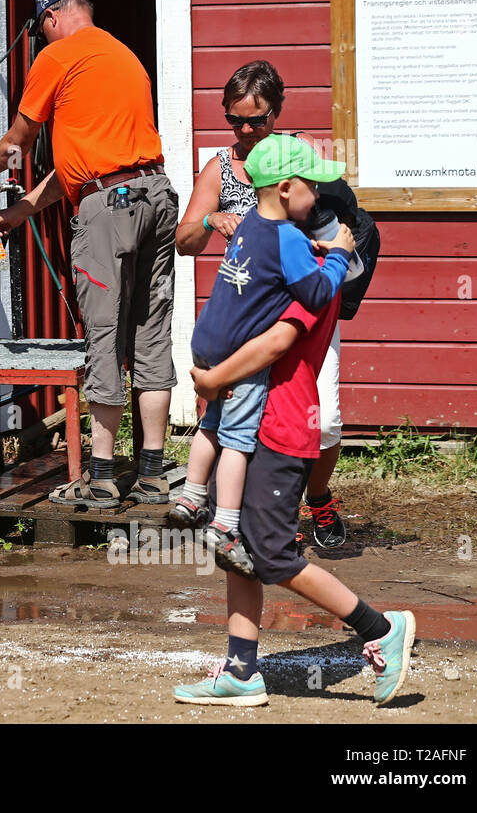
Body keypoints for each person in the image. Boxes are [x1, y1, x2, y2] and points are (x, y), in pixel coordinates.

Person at [0, 0, 176, 508]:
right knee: (150, 332)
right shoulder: (123, 56)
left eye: (41, 28)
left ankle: (103, 475)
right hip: (154, 194)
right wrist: (17, 213)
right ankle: (152, 471)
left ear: (54, 17)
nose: (42, 37)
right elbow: (79, 170)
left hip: (110, 210)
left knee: (103, 332)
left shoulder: (57, 57)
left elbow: (20, 140)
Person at [172, 273, 413, 709]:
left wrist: (212, 378)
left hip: (281, 428)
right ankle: (241, 671)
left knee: (273, 556)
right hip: (250, 422)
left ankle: (380, 628)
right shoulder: (301, 264)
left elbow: (275, 342)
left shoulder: (315, 276)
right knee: (237, 548)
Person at [174, 60, 348, 546]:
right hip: (249, 321)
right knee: (246, 423)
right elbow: (183, 239)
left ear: (278, 112)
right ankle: (264, 523)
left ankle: (316, 497)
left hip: (303, 311)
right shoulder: (221, 167)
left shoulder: (299, 155)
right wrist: (214, 222)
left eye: (257, 120)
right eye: (235, 121)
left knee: (326, 421)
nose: (246, 130)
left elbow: (340, 220)